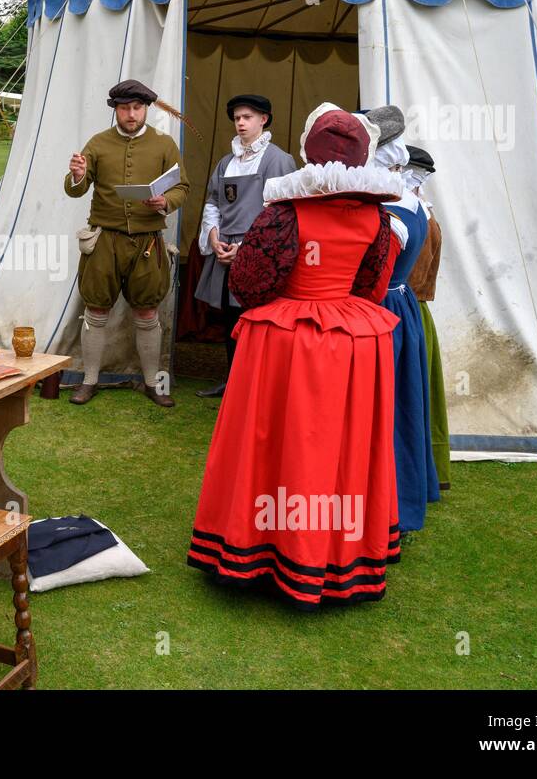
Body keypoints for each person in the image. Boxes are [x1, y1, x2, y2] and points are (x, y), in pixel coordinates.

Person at [187, 103, 406, 608]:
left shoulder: (283, 213)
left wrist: (296, 297)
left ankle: (263, 546)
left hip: (287, 343)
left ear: (309, 152)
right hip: (352, 344)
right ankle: (333, 550)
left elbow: (250, 283)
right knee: (338, 447)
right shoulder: (377, 217)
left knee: (275, 443)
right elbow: (372, 287)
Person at [65, 79, 189, 408]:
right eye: (124, 108)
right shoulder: (97, 143)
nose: (131, 114)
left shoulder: (164, 145)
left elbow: (183, 188)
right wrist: (77, 174)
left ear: (146, 109)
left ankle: (151, 383)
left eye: (137, 108)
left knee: (148, 310)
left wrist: (165, 202)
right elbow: (75, 189)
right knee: (96, 309)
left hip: (148, 241)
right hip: (105, 239)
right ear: (116, 110)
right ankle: (88, 380)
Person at [194, 94, 296, 399]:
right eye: (237, 118)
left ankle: (258, 385)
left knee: (257, 319)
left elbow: (281, 212)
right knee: (230, 319)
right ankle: (233, 380)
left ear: (263, 119)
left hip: (258, 253)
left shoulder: (278, 159)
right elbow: (213, 200)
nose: (240, 123)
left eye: (247, 117)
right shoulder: (226, 162)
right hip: (225, 250)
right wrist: (213, 236)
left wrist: (249, 247)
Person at [369, 106, 439, 533]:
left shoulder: (392, 206)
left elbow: (375, 274)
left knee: (388, 410)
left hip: (383, 309)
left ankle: (391, 506)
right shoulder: (406, 199)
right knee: (399, 407)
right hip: (399, 306)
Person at [404, 145, 451, 491]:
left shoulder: (412, 210)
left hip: (407, 309)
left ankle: (410, 474)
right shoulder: (423, 210)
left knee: (408, 397)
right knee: (416, 396)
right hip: (416, 311)